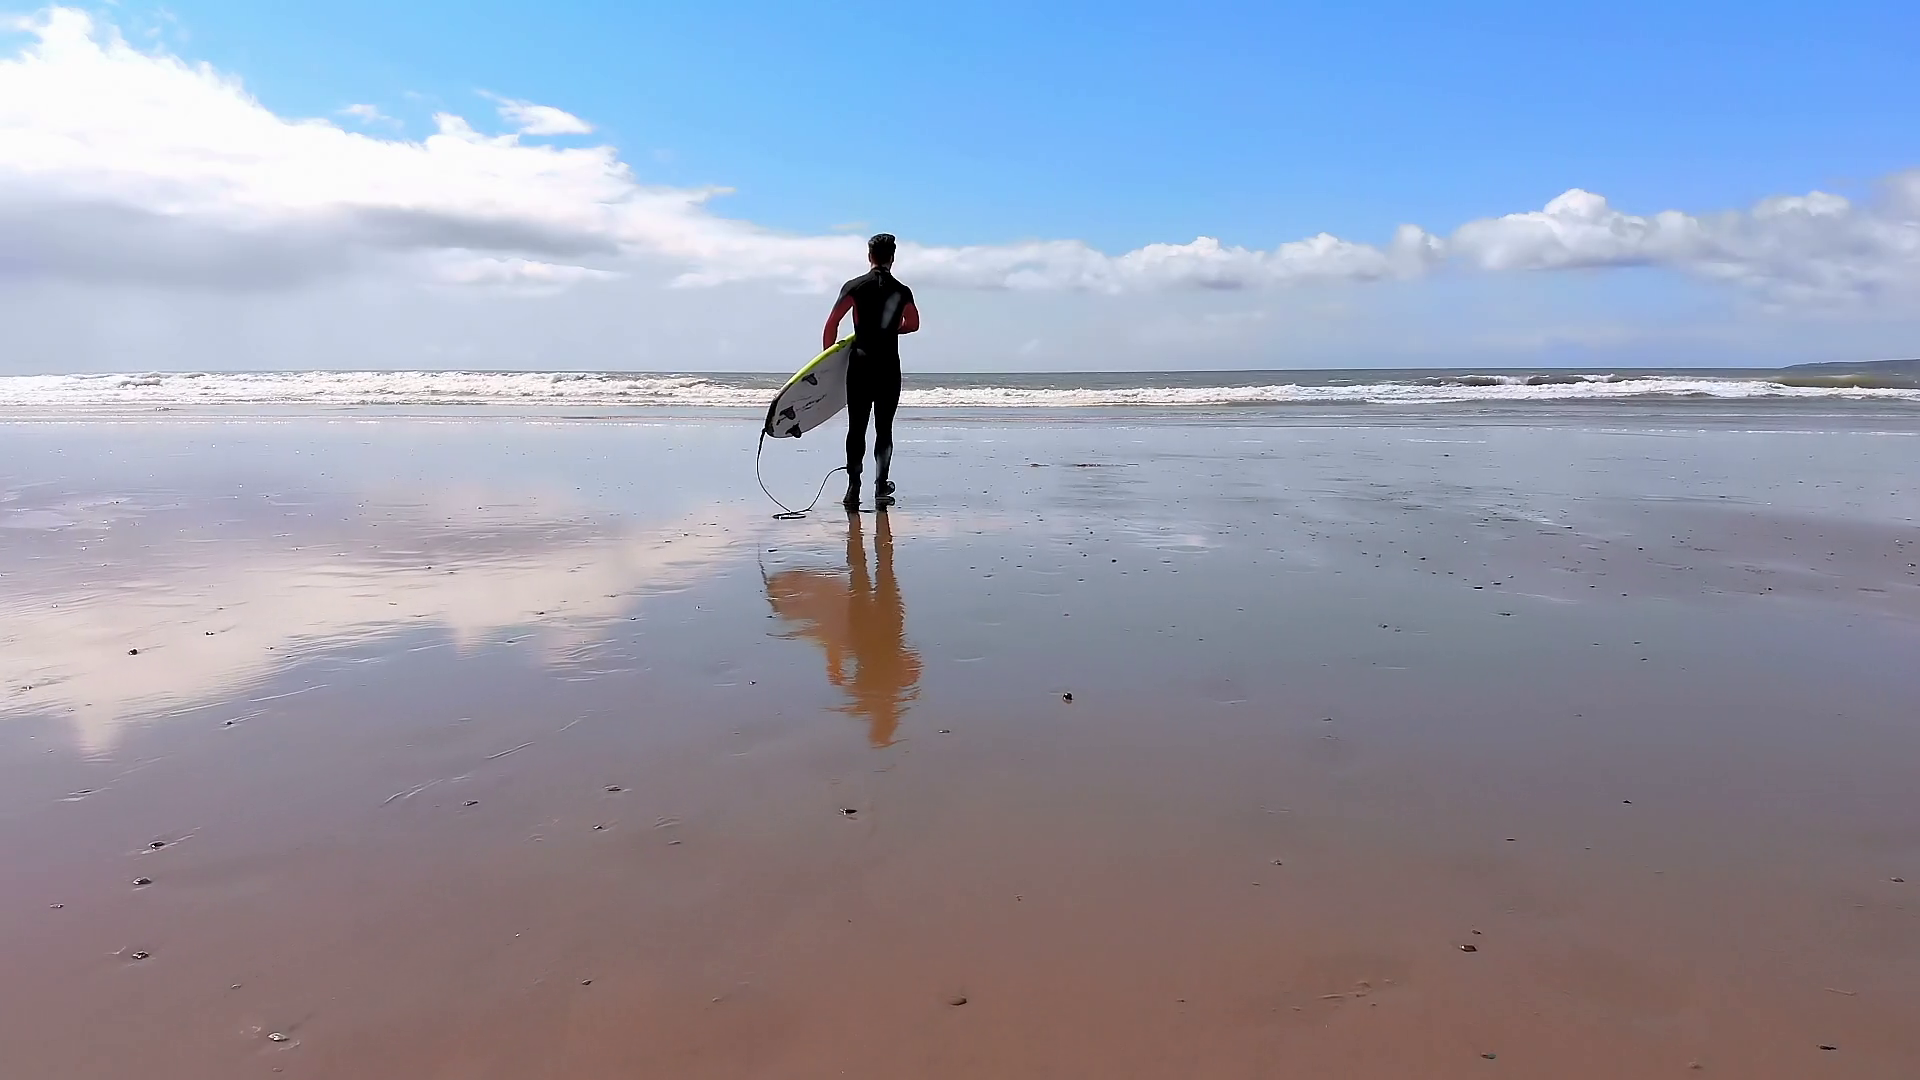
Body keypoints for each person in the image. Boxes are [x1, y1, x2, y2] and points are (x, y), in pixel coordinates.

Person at [822, 233, 920, 510]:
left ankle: (853, 486)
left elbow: (831, 325)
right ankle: (881, 485)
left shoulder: (854, 287)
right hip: (888, 364)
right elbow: (913, 323)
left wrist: (828, 363)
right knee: (884, 428)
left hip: (861, 363)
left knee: (856, 427)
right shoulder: (902, 291)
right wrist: (890, 329)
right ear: (893, 257)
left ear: (869, 257)